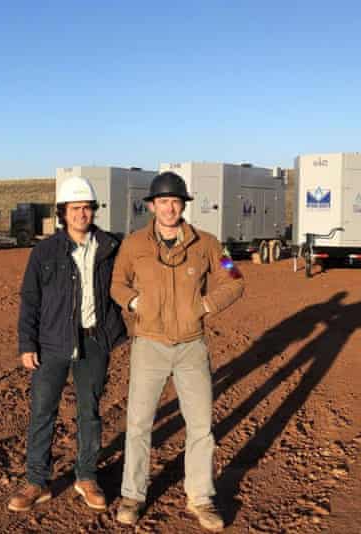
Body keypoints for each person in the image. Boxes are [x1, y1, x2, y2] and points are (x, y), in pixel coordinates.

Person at [110, 171, 244, 532]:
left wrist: (206, 306)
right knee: (138, 425)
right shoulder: (133, 244)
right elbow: (116, 284)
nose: (170, 208)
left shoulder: (209, 244)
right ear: (152, 206)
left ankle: (200, 497)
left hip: (191, 347)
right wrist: (134, 301)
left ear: (183, 205)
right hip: (149, 346)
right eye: (163, 202)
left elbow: (234, 279)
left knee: (200, 426)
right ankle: (132, 495)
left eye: (176, 201)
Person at [8, 176, 126, 513]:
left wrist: (224, 264)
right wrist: (26, 343)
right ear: (63, 212)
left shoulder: (110, 247)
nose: (82, 214)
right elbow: (30, 299)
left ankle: (86, 476)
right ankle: (37, 481)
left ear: (93, 211)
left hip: (94, 342)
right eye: (75, 208)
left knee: (89, 412)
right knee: (43, 412)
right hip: (51, 344)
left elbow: (131, 280)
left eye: (87, 208)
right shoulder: (45, 251)